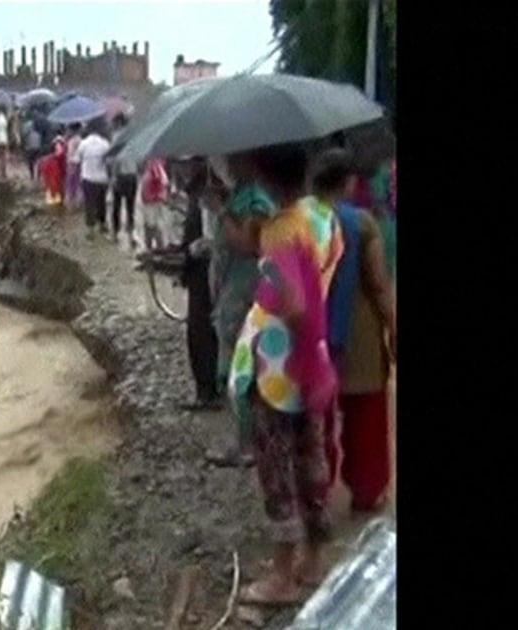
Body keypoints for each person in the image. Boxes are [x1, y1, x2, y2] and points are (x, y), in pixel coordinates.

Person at [227, 142, 339, 606]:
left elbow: (290, 301)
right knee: (309, 458)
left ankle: (282, 577)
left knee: (276, 469)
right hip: (314, 359)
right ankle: (314, 560)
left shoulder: (278, 231)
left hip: (280, 366)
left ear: (264, 175)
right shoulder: (320, 217)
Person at [313, 149, 396, 514]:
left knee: (318, 420)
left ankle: (316, 491)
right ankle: (366, 491)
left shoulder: (300, 222)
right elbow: (378, 286)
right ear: (348, 182)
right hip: (359, 337)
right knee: (365, 416)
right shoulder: (361, 223)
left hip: (312, 336)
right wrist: (393, 325)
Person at [205, 153, 270, 467]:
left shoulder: (257, 200)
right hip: (231, 289)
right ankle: (244, 439)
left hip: (245, 291)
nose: (228, 166)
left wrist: (220, 212)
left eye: (235, 160)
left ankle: (247, 445)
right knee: (233, 367)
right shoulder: (240, 195)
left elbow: (248, 244)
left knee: (241, 370)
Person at [180, 157, 220, 407]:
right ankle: (208, 388)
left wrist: (196, 251)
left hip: (206, 274)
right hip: (200, 271)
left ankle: (208, 391)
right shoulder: (198, 193)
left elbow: (210, 236)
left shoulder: (207, 193)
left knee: (202, 332)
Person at [109, 114, 140, 249]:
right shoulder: (135, 137)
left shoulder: (116, 138)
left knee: (117, 205)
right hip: (132, 175)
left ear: (117, 123)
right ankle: (131, 234)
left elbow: (115, 159)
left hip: (120, 176)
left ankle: (115, 233)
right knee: (130, 206)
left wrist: (113, 176)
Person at [75, 126, 111, 239]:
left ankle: (91, 230)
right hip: (102, 179)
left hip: (88, 178)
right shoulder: (105, 144)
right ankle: (102, 224)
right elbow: (109, 160)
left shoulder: (83, 144)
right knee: (101, 203)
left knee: (90, 204)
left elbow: (78, 159)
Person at [139, 157, 170, 250]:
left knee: (152, 224)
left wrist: (157, 194)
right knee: (150, 223)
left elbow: (162, 181)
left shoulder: (155, 165)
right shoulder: (152, 164)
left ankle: (158, 245)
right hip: (150, 199)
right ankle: (151, 245)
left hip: (152, 199)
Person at [38, 133, 68, 214]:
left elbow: (41, 172)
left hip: (55, 174)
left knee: (54, 191)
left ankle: (56, 209)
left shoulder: (45, 160)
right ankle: (58, 208)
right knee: (57, 190)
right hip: (57, 173)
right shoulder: (61, 146)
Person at [65, 123, 84, 210]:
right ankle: (76, 203)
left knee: (72, 184)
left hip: (73, 164)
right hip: (76, 164)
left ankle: (73, 204)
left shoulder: (75, 140)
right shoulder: (77, 140)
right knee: (76, 184)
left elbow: (72, 154)